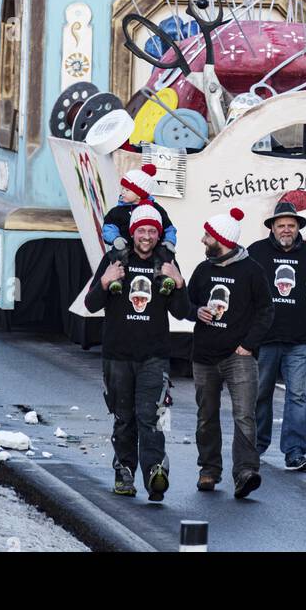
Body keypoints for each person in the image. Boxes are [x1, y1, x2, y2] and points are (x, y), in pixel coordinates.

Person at [85, 202, 189, 501]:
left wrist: (179, 283)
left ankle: (155, 471)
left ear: (159, 235)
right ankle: (124, 472)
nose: (146, 236)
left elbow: (182, 312)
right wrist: (105, 282)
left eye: (152, 231)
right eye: (141, 230)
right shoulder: (114, 259)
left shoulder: (167, 263)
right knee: (124, 417)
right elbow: (91, 305)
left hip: (154, 356)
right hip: (117, 355)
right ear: (132, 233)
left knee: (151, 416)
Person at [188, 207, 273, 499]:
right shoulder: (203, 270)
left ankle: (246, 472)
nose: (202, 240)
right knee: (206, 415)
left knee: (244, 416)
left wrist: (248, 345)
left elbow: (266, 311)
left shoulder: (252, 271)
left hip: (240, 356)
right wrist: (195, 311)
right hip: (204, 356)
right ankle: (209, 470)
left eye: (207, 236)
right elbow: (188, 305)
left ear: (220, 239)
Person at [248, 198, 306, 473]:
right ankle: (254, 448)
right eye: (280, 225)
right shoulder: (256, 252)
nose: (285, 230)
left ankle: (295, 453)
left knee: (297, 396)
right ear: (272, 227)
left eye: (290, 225)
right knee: (260, 394)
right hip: (264, 339)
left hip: (299, 339)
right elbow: (246, 297)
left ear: (298, 227)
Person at [101, 165, 177, 295]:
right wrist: (115, 238)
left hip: (151, 248)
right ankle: (117, 281)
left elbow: (169, 227)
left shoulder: (156, 209)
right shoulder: (118, 211)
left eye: (127, 190)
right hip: (125, 245)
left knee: (164, 254)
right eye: (122, 189)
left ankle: (164, 280)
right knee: (117, 254)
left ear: (139, 195)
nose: (122, 192)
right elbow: (108, 227)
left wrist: (169, 241)